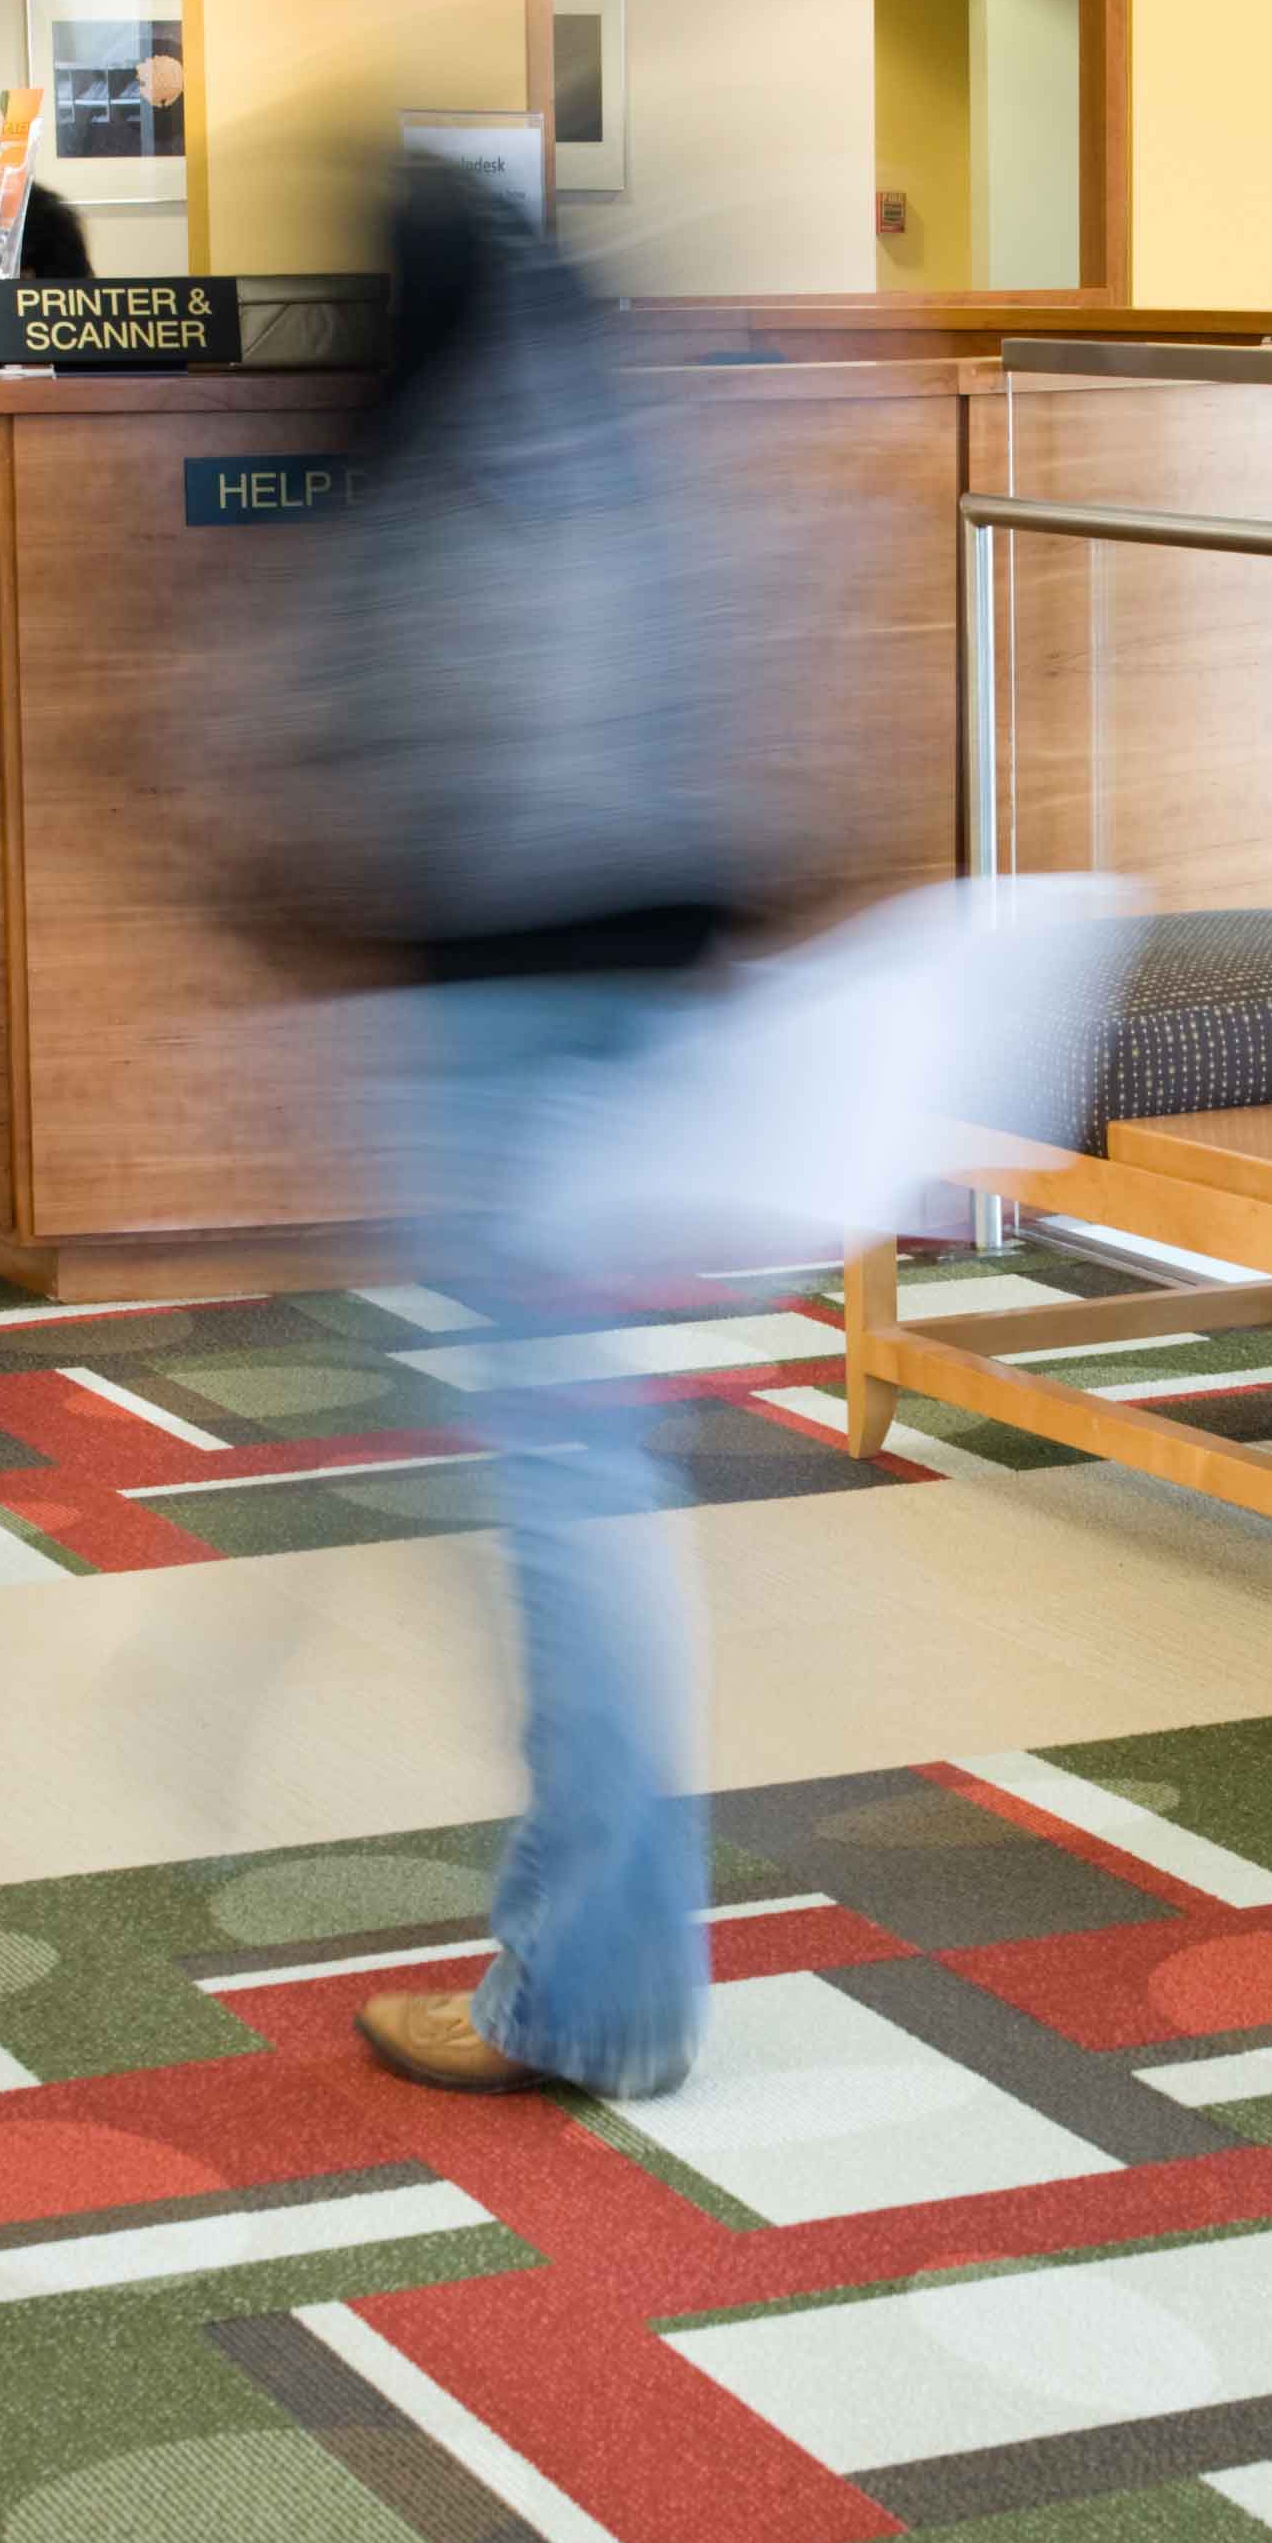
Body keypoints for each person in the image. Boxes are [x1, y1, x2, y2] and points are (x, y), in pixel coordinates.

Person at [213, 160, 797, 2103]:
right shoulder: (617, 399)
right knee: (580, 1460)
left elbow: (388, 710)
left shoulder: (452, 423)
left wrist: (282, 853)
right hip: (640, 965)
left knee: (564, 1485)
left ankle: (592, 1993)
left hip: (502, 977)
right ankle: (597, 1966)